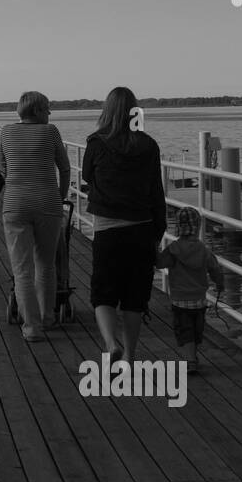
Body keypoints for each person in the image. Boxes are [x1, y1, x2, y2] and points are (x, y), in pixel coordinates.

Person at [83, 87, 167, 365]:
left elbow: (86, 176)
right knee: (135, 298)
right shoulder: (149, 145)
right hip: (142, 229)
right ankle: (130, 356)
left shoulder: (96, 143)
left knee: (103, 293)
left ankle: (110, 343)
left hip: (108, 230)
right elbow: (156, 192)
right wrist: (158, 232)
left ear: (106, 111)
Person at [0, 91, 71, 341]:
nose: (49, 113)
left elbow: (3, 168)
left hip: (15, 204)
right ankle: (47, 318)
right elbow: (65, 167)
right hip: (48, 203)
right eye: (47, 108)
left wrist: (17, 186)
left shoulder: (6, 132)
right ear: (38, 111)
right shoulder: (50, 132)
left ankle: (31, 327)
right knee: (46, 265)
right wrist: (59, 197)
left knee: (22, 270)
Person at [155, 206, 222, 371]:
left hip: (179, 301)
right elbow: (215, 270)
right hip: (199, 301)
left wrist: (154, 249)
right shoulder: (204, 251)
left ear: (178, 227)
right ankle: (193, 357)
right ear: (198, 228)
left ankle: (191, 360)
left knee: (184, 331)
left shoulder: (173, 250)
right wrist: (220, 284)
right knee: (196, 330)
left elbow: (160, 263)